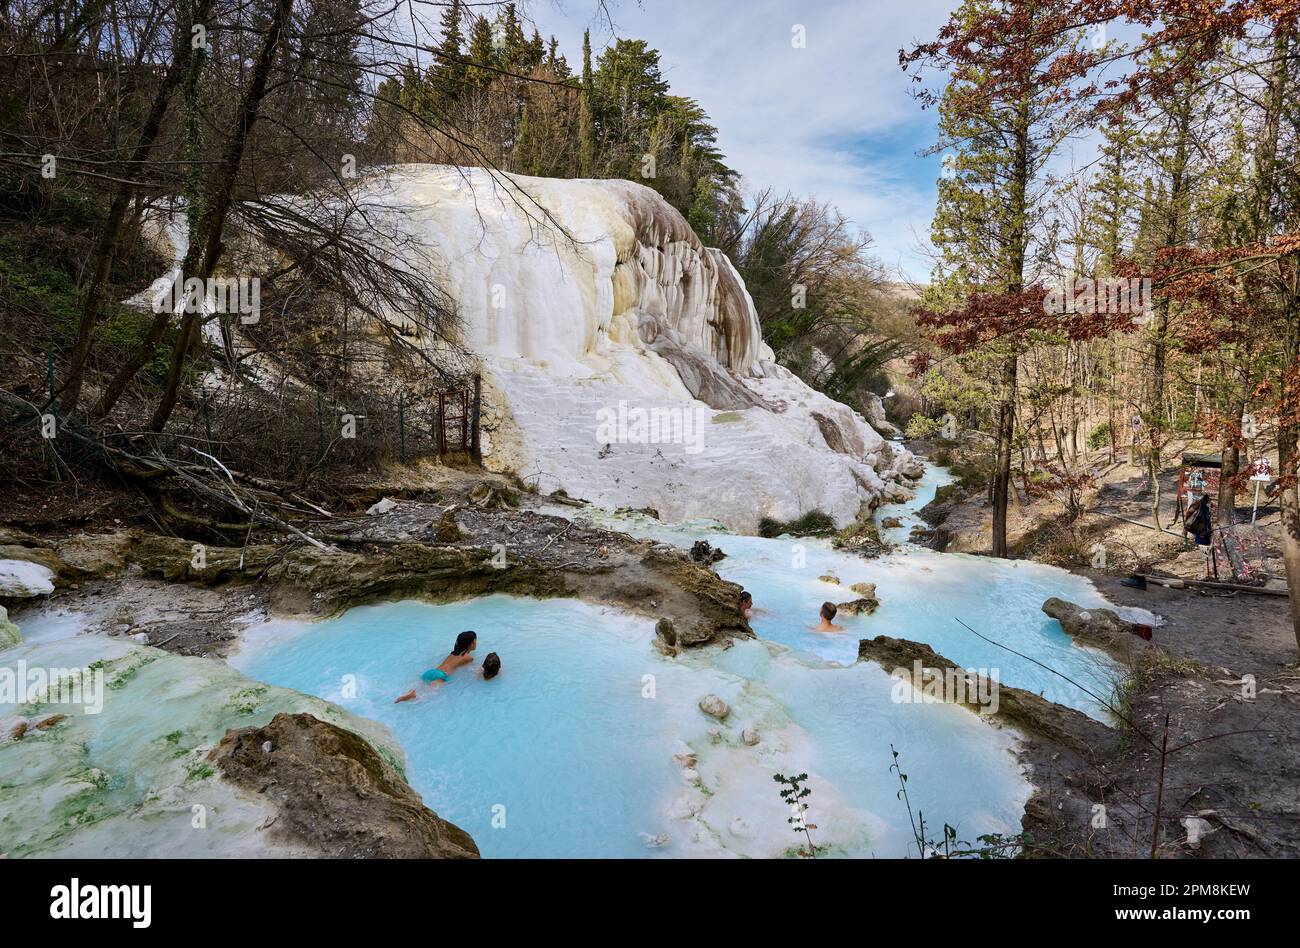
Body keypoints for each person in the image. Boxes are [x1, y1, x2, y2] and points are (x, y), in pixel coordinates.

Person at [395, 630, 477, 702]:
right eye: (475, 641)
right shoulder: (469, 658)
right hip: (441, 676)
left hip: (431, 672)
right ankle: (415, 697)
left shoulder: (453, 653)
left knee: (422, 687)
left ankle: (411, 693)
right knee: (429, 696)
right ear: (471, 644)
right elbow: (466, 670)